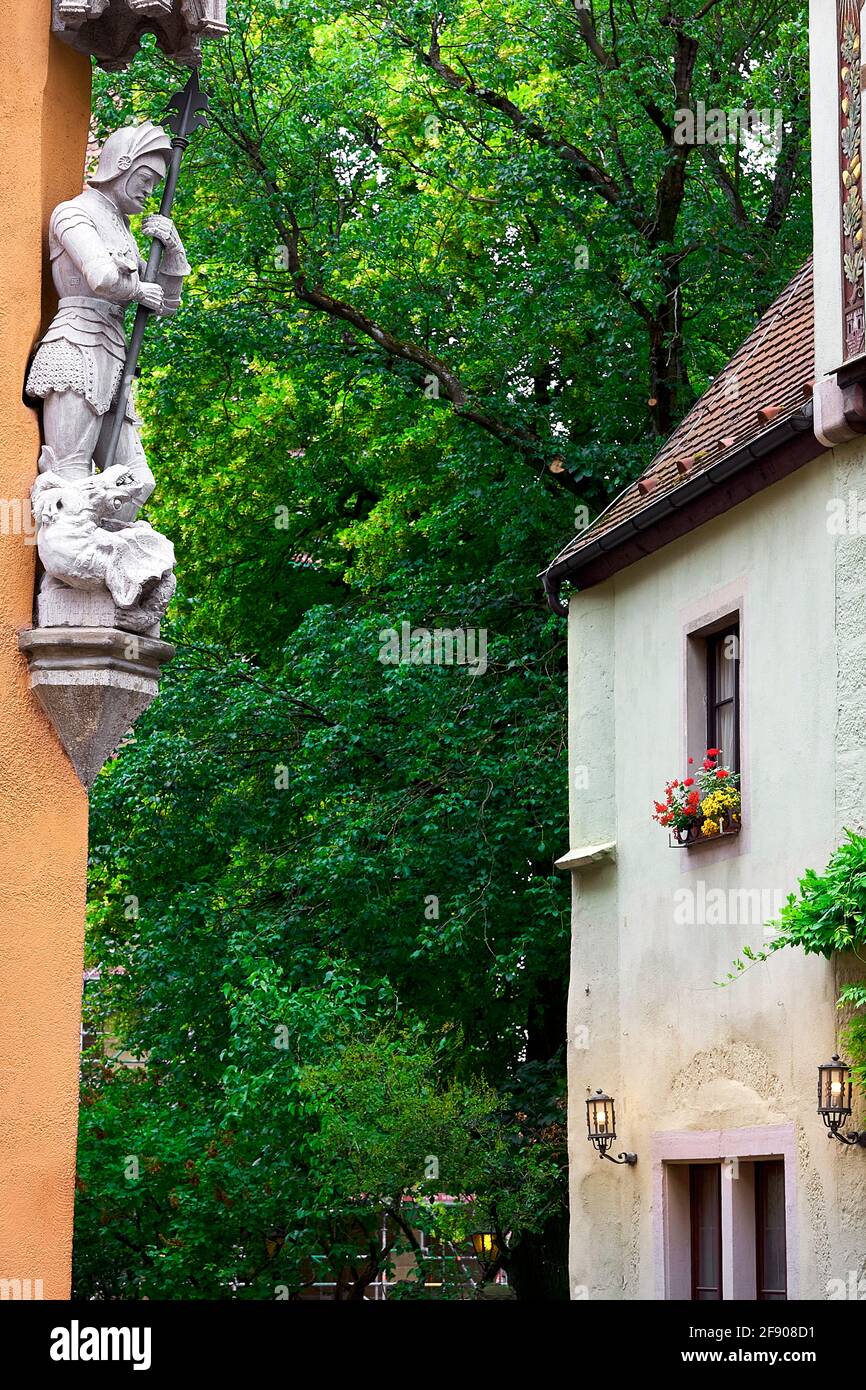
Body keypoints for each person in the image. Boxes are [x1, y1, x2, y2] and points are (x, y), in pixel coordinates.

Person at [26, 119, 190, 504]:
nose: (151, 190)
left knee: (136, 482)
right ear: (122, 164)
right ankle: (65, 559)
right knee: (71, 475)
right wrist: (137, 289)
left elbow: (166, 304)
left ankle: (103, 550)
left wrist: (173, 251)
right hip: (75, 345)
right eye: (146, 177)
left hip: (115, 353)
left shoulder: (126, 230)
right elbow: (100, 275)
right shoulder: (73, 213)